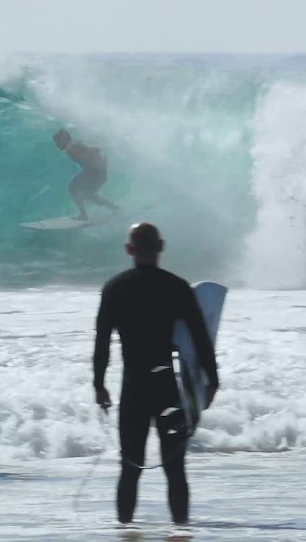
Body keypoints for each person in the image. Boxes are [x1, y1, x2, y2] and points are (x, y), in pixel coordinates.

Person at [93, 222, 218, 525]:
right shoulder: (176, 287)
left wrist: (99, 384)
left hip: (133, 387)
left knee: (130, 467)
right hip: (166, 386)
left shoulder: (115, 288)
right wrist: (211, 380)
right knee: (175, 468)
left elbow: (102, 342)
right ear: (161, 246)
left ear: (129, 249)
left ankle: (124, 529)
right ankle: (180, 531)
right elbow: (201, 339)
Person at [53, 127, 119, 221]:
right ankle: (114, 208)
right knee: (88, 196)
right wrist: (103, 161)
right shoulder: (76, 144)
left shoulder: (71, 148)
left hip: (94, 172)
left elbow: (91, 154)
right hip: (100, 172)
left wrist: (96, 165)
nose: (56, 145)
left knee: (72, 189)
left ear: (64, 139)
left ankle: (83, 215)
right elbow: (96, 151)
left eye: (57, 141)